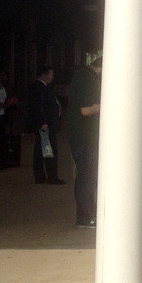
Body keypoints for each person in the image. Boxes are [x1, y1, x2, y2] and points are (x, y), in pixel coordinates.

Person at [66, 59, 102, 229]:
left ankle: (87, 216)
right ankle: (85, 219)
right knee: (87, 179)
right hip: (86, 138)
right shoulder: (89, 79)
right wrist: (109, 105)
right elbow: (86, 110)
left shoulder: (81, 76)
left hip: (80, 136)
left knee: (84, 178)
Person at [26, 66, 64, 185]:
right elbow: (39, 107)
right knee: (49, 150)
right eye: (51, 74)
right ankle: (51, 176)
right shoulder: (39, 87)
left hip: (45, 125)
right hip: (45, 126)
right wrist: (43, 122)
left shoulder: (42, 87)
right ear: (44, 74)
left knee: (42, 150)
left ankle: (41, 175)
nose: (52, 77)